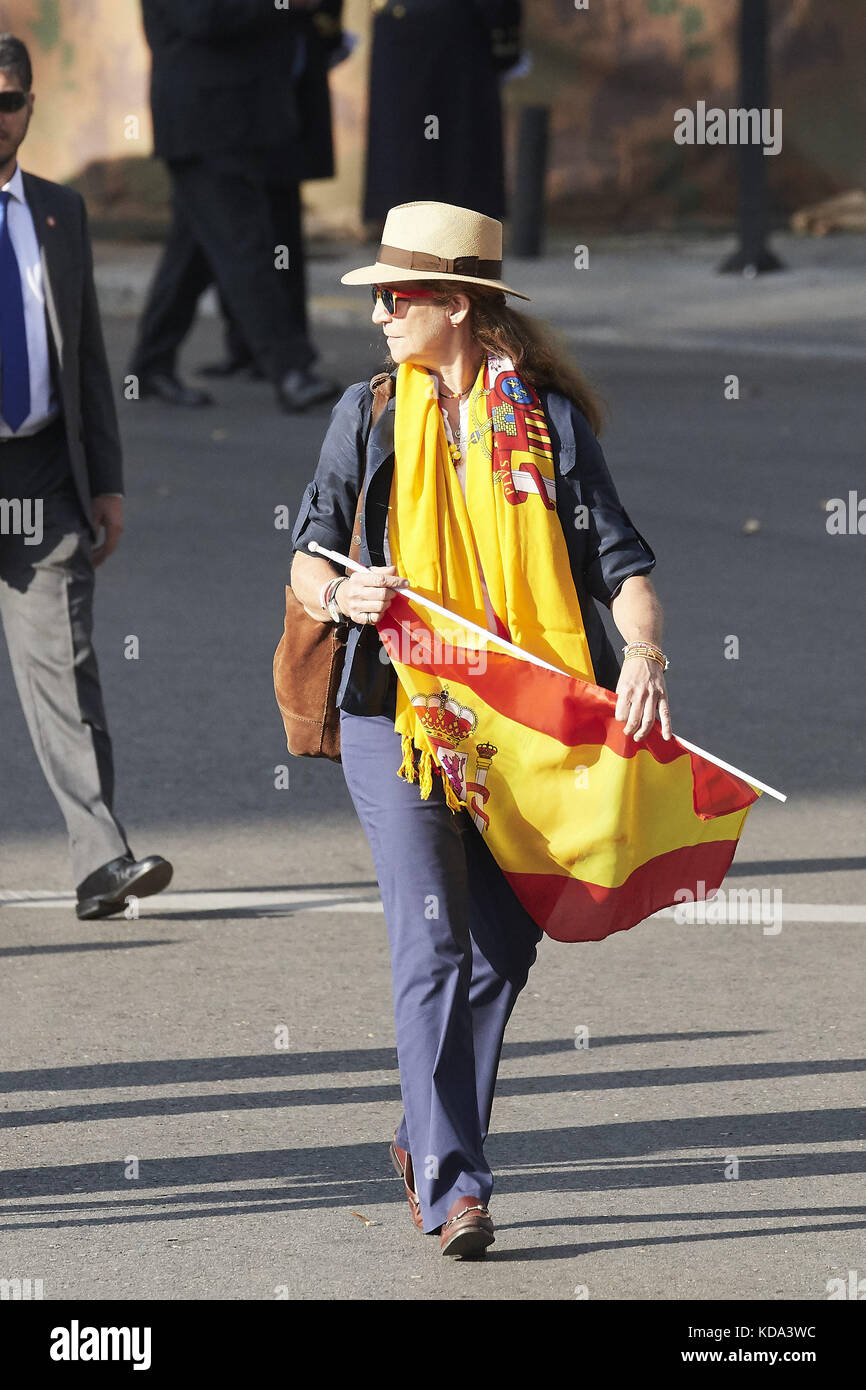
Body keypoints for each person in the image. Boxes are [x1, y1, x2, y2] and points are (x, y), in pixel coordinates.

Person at [289, 201, 669, 1256]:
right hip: (396, 711)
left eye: (395, 295)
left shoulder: (545, 421)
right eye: (375, 295)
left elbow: (622, 562)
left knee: (505, 941)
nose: (377, 313)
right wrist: (342, 596)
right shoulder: (366, 413)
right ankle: (456, 1186)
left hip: (525, 723)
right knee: (433, 942)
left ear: (455, 305)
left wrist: (641, 653)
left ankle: (421, 1130)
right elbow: (306, 558)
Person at [0, 35, 172, 919]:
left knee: (64, 668)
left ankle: (101, 860)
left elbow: (89, 364)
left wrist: (104, 480)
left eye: (9, 99)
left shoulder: (60, 214)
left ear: (30, 106)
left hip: (38, 472)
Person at [128, 0, 339, 412]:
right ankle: (289, 370)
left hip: (238, 122)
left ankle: (150, 365)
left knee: (191, 256)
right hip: (204, 125)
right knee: (246, 247)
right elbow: (202, 17)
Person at [363, 1, 522, 227]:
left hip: (395, 27)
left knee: (401, 135)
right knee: (462, 137)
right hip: (458, 30)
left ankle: (400, 227)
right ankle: (464, 228)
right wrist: (506, 43)